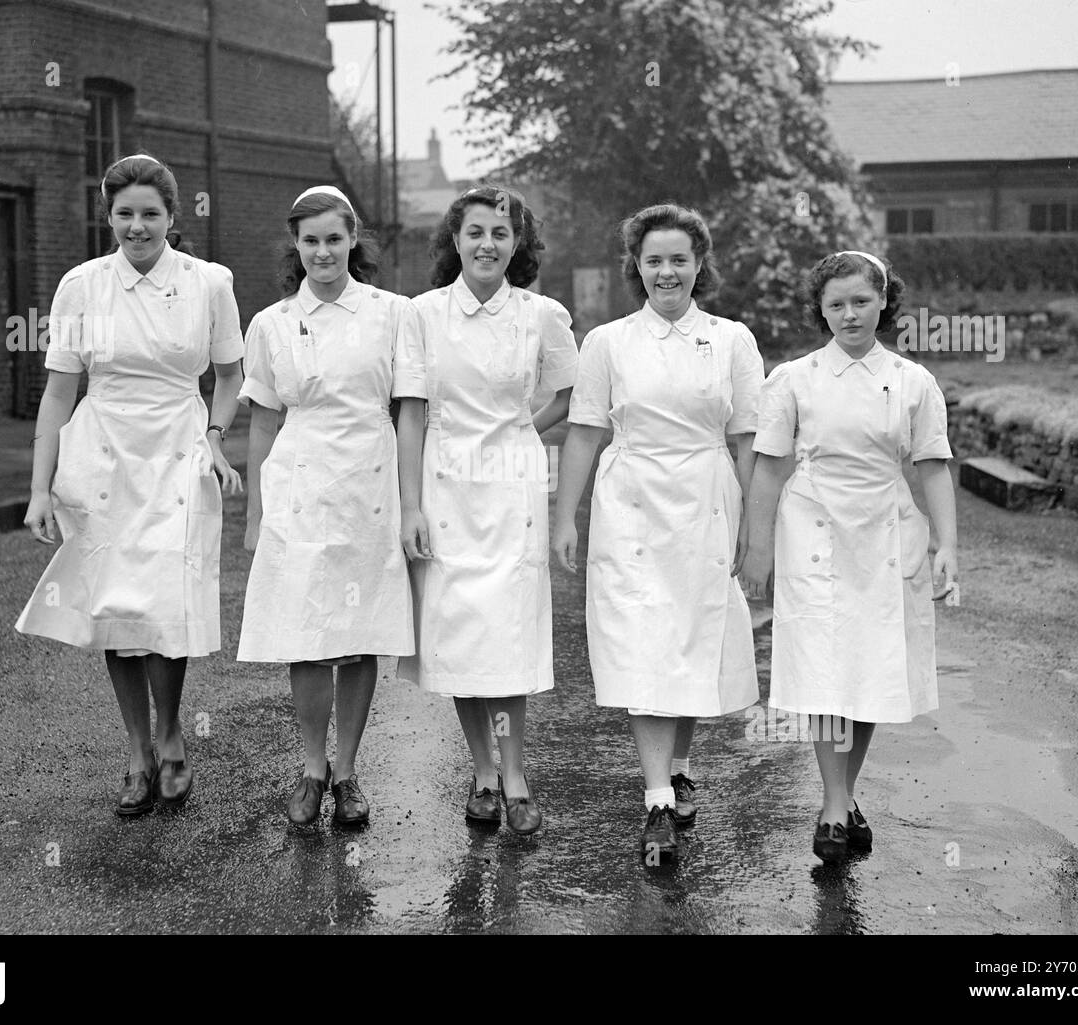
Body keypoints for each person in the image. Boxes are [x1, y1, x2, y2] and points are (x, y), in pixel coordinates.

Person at [15, 153, 245, 817]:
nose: (137, 226)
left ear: (173, 218)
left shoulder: (210, 284)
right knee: (115, 606)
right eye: (125, 214)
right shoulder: (81, 286)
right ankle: (138, 750)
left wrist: (216, 435)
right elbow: (58, 393)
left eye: (150, 214)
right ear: (108, 216)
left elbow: (228, 375)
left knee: (165, 605)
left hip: (177, 451)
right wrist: (39, 488)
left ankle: (171, 731)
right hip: (102, 454)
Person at [554, 203, 762, 860]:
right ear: (636, 268)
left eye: (678, 258)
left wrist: (757, 525)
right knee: (641, 638)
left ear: (700, 264)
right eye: (653, 260)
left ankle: (678, 764)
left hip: (707, 498)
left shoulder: (732, 339)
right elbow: (585, 429)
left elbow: (748, 437)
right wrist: (567, 513)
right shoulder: (608, 342)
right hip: (630, 503)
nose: (666, 270)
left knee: (693, 635)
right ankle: (657, 801)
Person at [739, 250, 958, 864]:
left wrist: (948, 544)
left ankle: (843, 795)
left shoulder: (914, 382)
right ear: (821, 310)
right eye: (835, 304)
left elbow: (933, 466)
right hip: (811, 534)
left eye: (861, 301)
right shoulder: (793, 380)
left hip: (886, 536)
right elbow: (770, 469)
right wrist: (758, 549)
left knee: (867, 673)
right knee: (824, 672)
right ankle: (834, 807)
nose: (849, 314)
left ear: (884, 300)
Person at [395, 184, 578, 834]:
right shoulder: (422, 313)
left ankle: (517, 774)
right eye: (475, 231)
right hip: (445, 486)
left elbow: (571, 391)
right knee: (461, 636)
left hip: (512, 487)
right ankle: (483, 773)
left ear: (518, 243)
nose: (487, 243)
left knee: (505, 635)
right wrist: (409, 505)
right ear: (456, 239)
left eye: (501, 233)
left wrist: (524, 424)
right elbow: (411, 414)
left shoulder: (541, 315)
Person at [237, 185, 414, 828]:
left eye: (333, 239)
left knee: (360, 634)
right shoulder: (272, 323)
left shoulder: (393, 314)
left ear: (352, 240)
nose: (322, 252)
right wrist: (257, 512)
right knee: (307, 634)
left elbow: (410, 408)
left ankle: (347, 771)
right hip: (301, 485)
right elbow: (262, 422)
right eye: (309, 241)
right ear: (297, 245)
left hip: (370, 480)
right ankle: (313, 768)